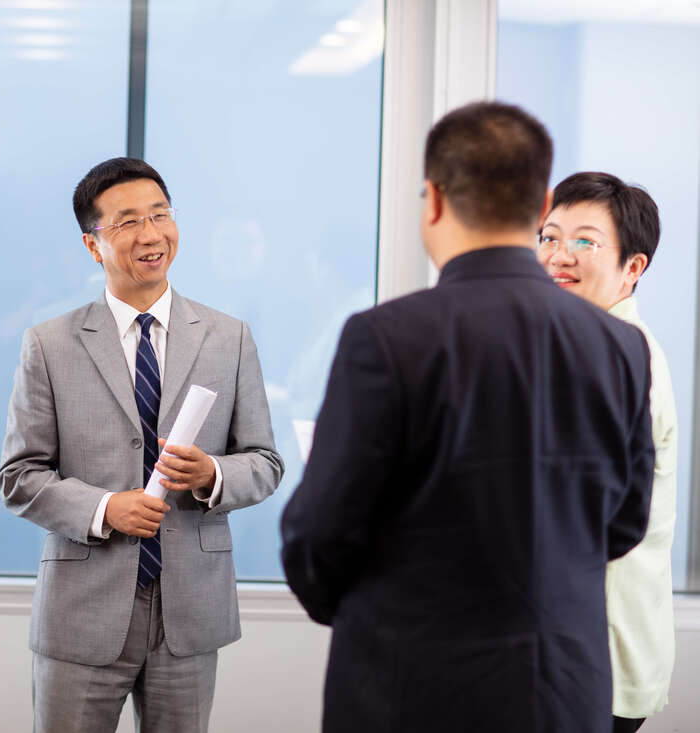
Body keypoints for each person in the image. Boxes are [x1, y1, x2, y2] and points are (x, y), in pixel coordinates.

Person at [279, 102, 656, 733]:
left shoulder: (385, 337)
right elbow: (624, 522)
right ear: (541, 209)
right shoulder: (619, 345)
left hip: (413, 689)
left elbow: (319, 533)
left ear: (432, 200)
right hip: (563, 693)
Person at [0, 157, 283, 733]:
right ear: (92, 243)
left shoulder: (229, 338)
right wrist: (105, 508)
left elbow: (265, 462)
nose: (151, 234)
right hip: (82, 608)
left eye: (161, 215)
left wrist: (211, 476)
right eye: (128, 222)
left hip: (192, 610)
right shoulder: (49, 344)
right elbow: (19, 475)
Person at [538, 172, 676, 733]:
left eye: (585, 242)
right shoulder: (584, 343)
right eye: (549, 236)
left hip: (592, 654)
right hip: (581, 650)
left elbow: (591, 515)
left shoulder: (618, 355)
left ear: (633, 267)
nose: (558, 255)